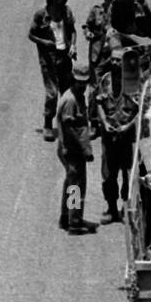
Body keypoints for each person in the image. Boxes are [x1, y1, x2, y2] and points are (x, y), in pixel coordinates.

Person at [90, 47, 139, 224]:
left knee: (128, 174)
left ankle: (126, 208)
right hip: (109, 138)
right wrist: (103, 123)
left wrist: (127, 126)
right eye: (113, 59)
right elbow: (99, 104)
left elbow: (140, 111)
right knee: (108, 174)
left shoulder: (134, 83)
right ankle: (111, 209)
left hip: (127, 138)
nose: (115, 63)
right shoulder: (105, 81)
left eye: (119, 60)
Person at [29, 0, 77, 141]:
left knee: (66, 91)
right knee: (51, 94)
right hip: (49, 60)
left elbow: (73, 31)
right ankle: (48, 124)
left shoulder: (67, 12)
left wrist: (74, 46)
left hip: (64, 57)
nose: (66, 0)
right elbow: (31, 35)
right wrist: (45, 43)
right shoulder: (41, 16)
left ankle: (66, 123)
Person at [56, 59, 96, 234]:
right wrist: (85, 149)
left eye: (84, 83)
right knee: (76, 186)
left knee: (71, 183)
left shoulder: (75, 96)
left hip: (72, 148)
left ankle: (66, 217)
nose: (83, 86)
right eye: (80, 83)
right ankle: (74, 221)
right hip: (72, 149)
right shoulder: (71, 100)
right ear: (74, 80)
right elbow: (71, 129)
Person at [82, 0, 113, 75]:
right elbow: (86, 26)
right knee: (95, 77)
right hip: (97, 50)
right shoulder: (96, 9)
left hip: (112, 50)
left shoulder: (118, 9)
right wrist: (87, 33)